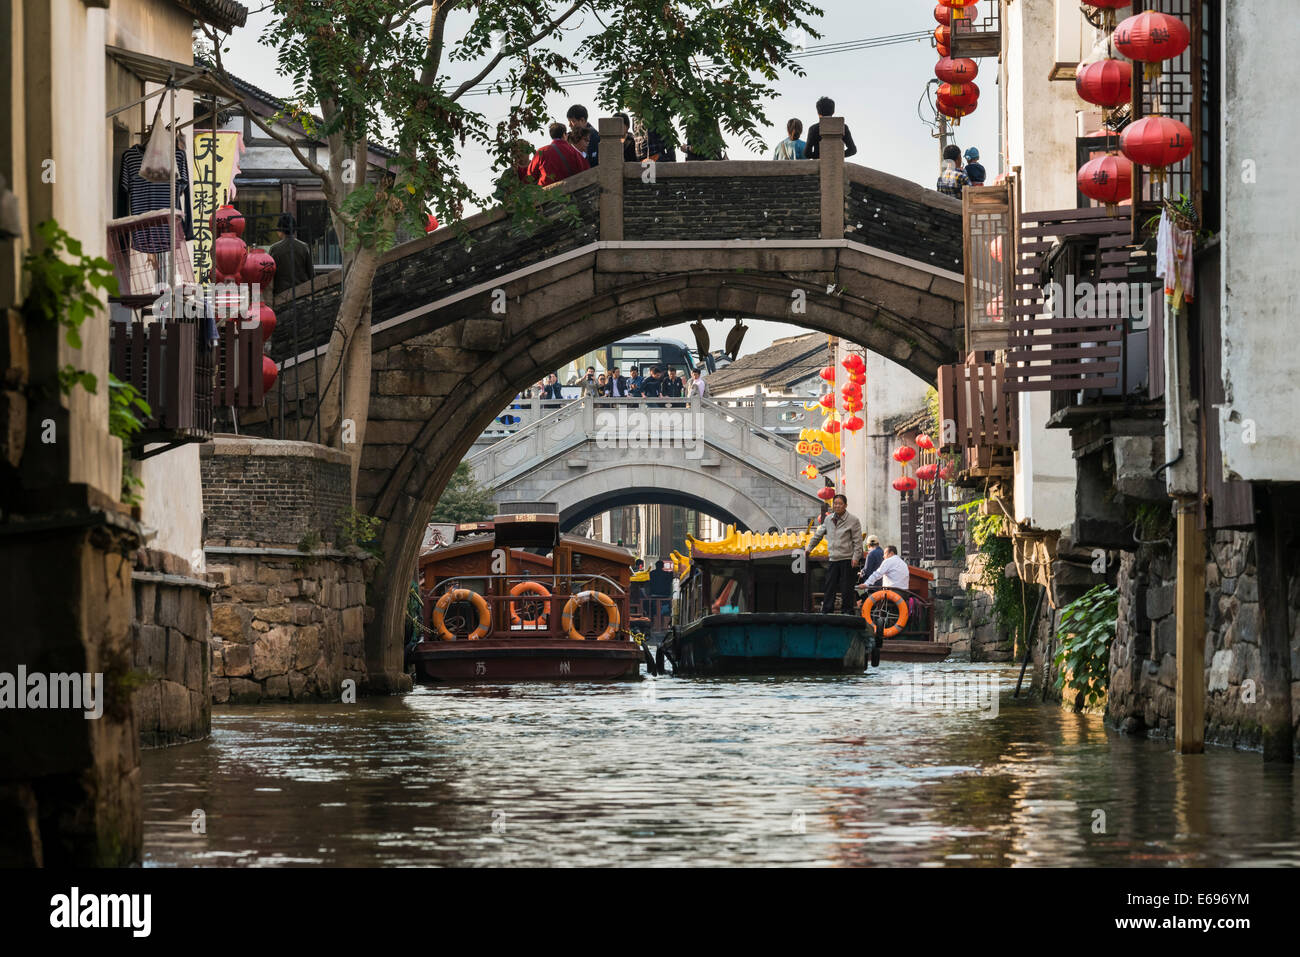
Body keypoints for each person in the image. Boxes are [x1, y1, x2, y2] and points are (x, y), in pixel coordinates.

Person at [806, 493, 865, 614]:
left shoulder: (853, 520)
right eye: (835, 504)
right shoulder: (828, 519)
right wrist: (809, 548)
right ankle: (827, 611)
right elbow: (818, 535)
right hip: (833, 559)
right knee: (829, 586)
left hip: (847, 559)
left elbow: (858, 541)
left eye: (840, 504)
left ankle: (847, 612)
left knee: (846, 588)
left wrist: (856, 557)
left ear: (845, 505)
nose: (837, 506)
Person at [527, 122, 589, 187]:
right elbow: (585, 170)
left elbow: (530, 176)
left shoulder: (541, 151)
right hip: (569, 191)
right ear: (564, 135)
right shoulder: (573, 151)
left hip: (547, 193)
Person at [269, 213, 314, 297]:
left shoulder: (274, 249)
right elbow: (311, 273)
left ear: (280, 230)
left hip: (281, 294)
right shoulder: (304, 247)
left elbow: (270, 275)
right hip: (302, 293)